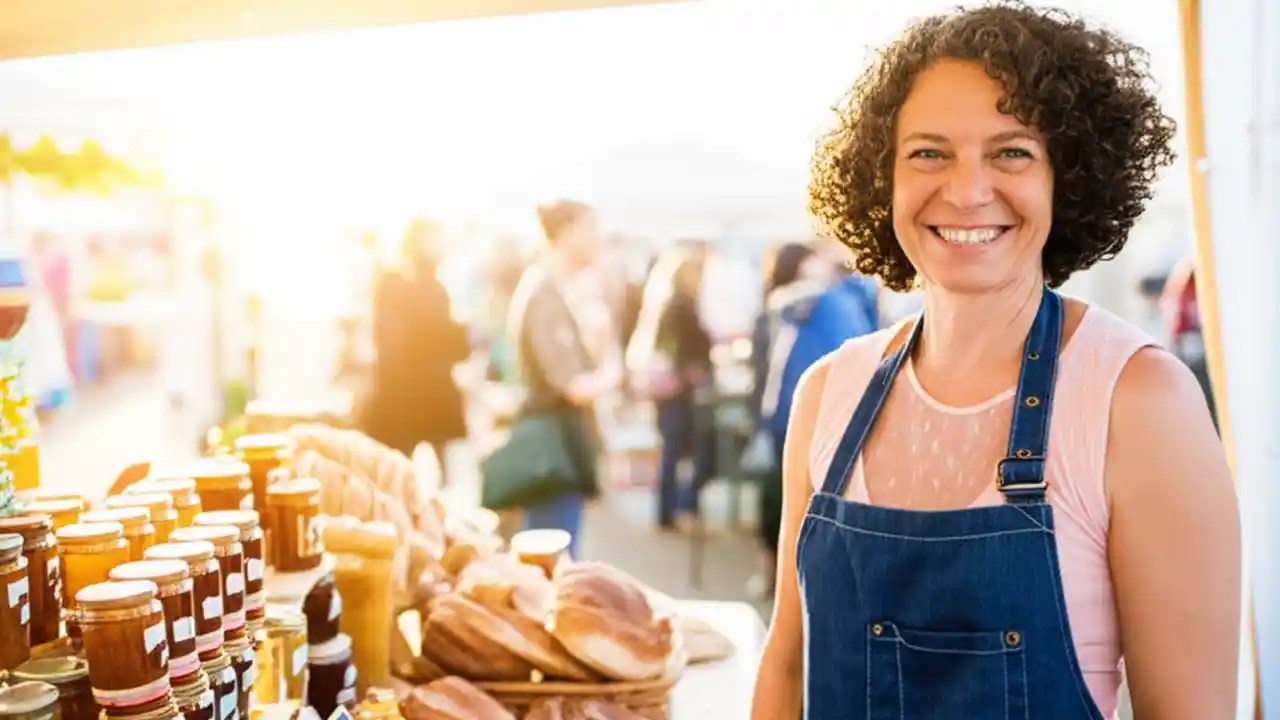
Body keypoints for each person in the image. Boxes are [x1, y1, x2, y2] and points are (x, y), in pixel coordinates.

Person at [751, 6, 1240, 719]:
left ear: (1067, 177)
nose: (967, 190)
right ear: (880, 175)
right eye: (928, 152)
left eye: (1011, 151)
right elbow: (786, 670)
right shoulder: (828, 390)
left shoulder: (1138, 399)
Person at [506, 200, 617, 557]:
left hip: (557, 450)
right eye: (591, 229)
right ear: (568, 233)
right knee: (552, 567)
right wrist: (613, 368)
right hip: (551, 455)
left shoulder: (551, 290)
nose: (598, 239)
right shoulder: (544, 293)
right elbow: (575, 388)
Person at [362, 218, 470, 467]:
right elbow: (393, 344)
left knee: (439, 475)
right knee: (396, 470)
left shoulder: (437, 288)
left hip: (430, 397)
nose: (443, 247)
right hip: (402, 398)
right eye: (436, 240)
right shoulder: (394, 284)